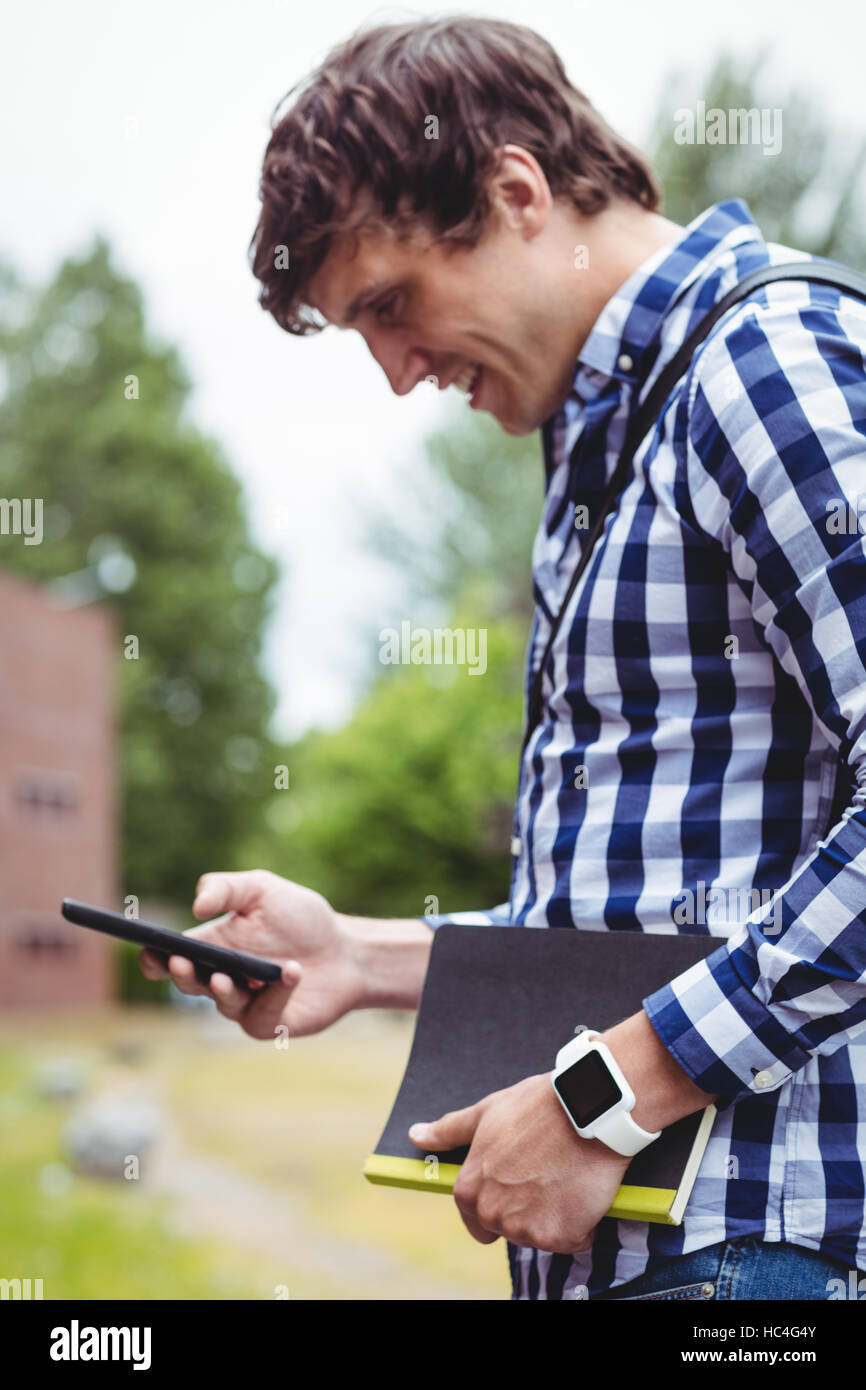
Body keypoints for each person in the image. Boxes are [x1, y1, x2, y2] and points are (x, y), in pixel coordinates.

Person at [140, 16, 866, 1301]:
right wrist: (357, 960)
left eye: (390, 305)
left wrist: (602, 1098)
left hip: (763, 1265)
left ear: (515, 192)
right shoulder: (601, 443)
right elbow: (640, 921)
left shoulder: (765, 362)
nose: (396, 370)